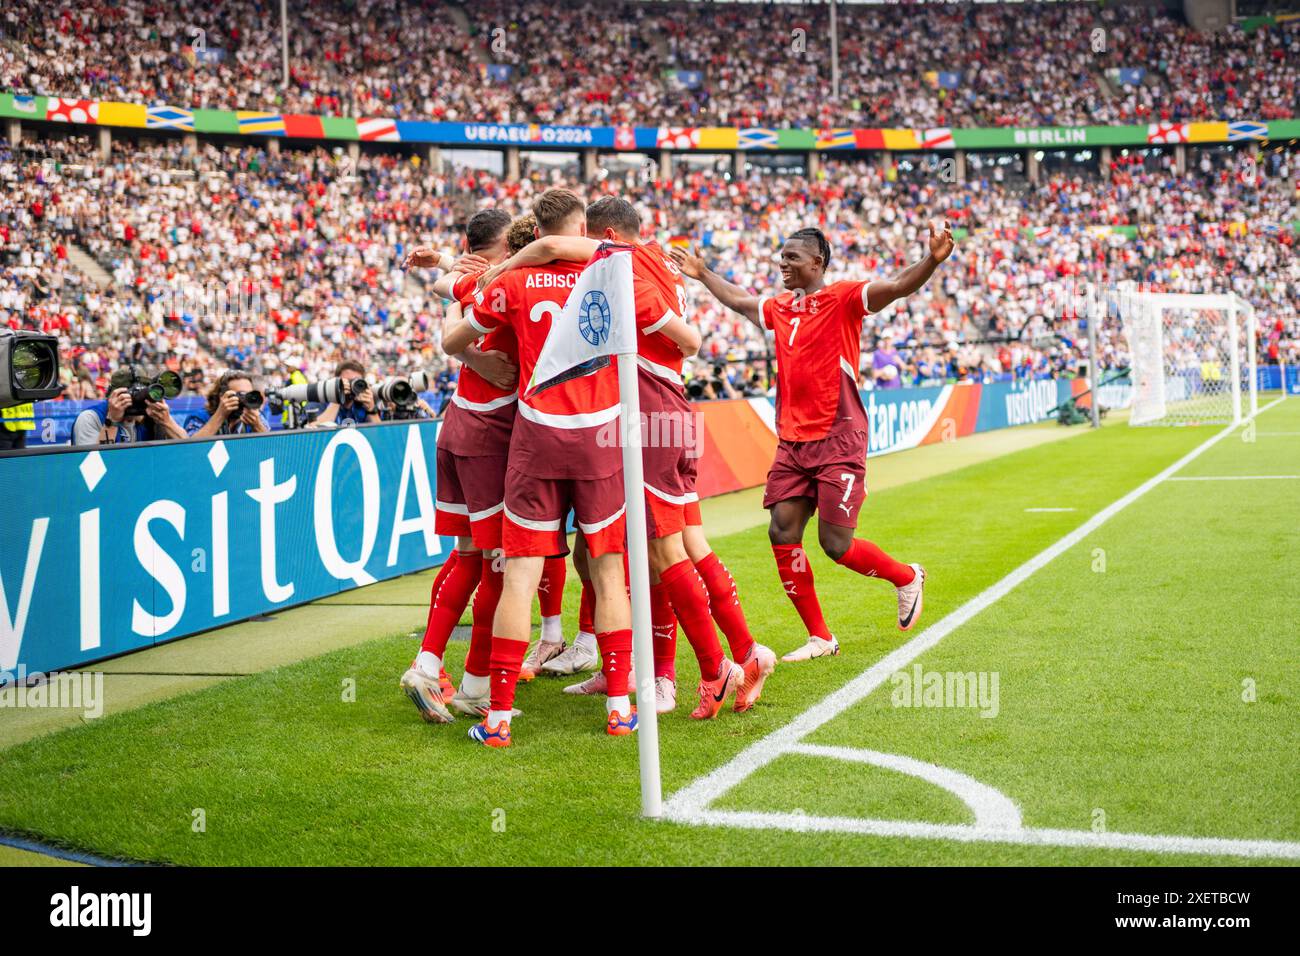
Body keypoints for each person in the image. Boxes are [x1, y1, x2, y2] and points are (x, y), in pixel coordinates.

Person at [477, 195, 776, 719]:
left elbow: (690, 339)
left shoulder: (621, 268)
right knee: (653, 548)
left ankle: (704, 668)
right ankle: (719, 657)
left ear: (607, 238)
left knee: (659, 555)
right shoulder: (657, 255)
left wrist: (498, 268)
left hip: (651, 416)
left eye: (594, 241)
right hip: (665, 414)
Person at [672, 220, 954, 661]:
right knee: (781, 531)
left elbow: (898, 285)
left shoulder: (843, 298)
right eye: (781, 257)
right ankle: (821, 637)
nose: (782, 263)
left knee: (835, 545)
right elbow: (744, 302)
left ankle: (905, 577)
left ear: (817, 262)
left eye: (792, 258)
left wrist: (931, 261)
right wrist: (704, 272)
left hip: (839, 437)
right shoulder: (781, 307)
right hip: (792, 441)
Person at [441, 188, 633, 746]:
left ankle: (497, 717)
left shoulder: (511, 280)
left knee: (519, 575)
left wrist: (515, 265)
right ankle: (620, 707)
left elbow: (454, 339)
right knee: (607, 570)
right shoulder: (611, 267)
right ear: (583, 225)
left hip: (535, 434)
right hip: (597, 433)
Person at [71, 367, 188, 446]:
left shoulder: (150, 417)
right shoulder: (90, 418)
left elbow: (189, 449)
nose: (138, 401)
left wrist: (166, 422)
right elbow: (92, 467)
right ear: (114, 395)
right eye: (134, 394)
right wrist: (112, 421)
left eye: (144, 394)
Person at [184, 371, 271, 437]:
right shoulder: (199, 417)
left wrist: (257, 425)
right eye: (240, 394)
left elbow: (270, 448)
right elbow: (192, 448)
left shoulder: (255, 416)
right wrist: (220, 415)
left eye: (248, 394)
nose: (244, 400)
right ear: (222, 397)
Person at [311, 360, 380, 427]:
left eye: (357, 382)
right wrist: (336, 396)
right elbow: (316, 432)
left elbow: (379, 434)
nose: (351, 386)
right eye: (347, 381)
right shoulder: (320, 401)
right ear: (335, 381)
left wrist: (371, 410)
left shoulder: (363, 404)